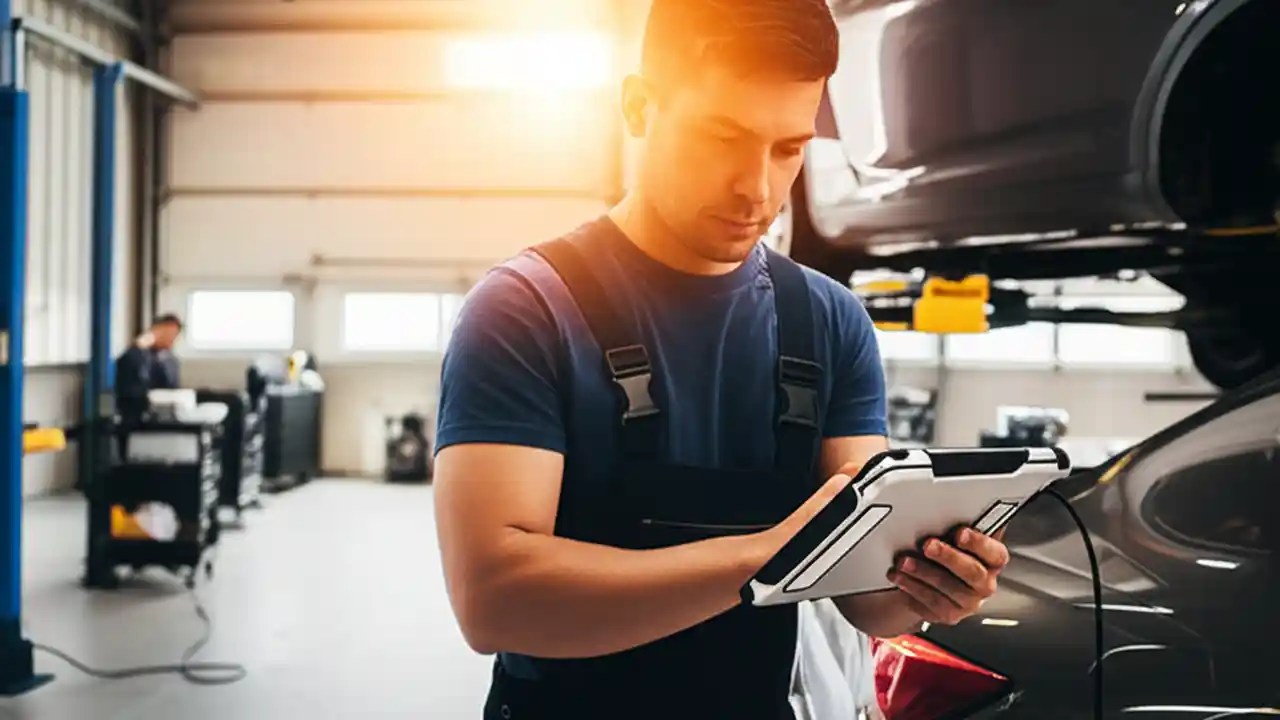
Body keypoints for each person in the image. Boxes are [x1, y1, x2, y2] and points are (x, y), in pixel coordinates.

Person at [432, 2, 1013, 718]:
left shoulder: (829, 322)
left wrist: (926, 588)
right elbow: (495, 603)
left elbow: (866, 596)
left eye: (787, 148)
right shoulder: (526, 310)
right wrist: (767, 556)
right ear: (640, 106)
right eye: (721, 137)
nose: (757, 188)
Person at [115, 313, 184, 419]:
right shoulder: (137, 355)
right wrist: (140, 344)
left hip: (163, 414)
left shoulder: (171, 360)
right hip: (135, 413)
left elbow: (172, 388)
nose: (170, 338)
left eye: (174, 334)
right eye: (165, 332)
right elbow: (133, 380)